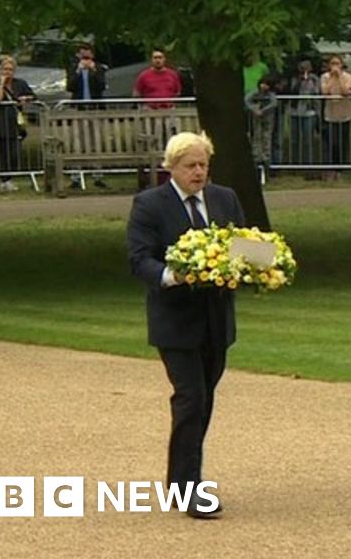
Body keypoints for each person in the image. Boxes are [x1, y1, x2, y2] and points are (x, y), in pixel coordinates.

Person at [126, 132, 245, 519]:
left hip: (216, 319)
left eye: (203, 165)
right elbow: (139, 260)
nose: (199, 172)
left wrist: (267, 262)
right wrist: (172, 275)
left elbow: (244, 246)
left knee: (204, 399)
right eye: (191, 166)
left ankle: (184, 479)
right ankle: (187, 487)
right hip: (175, 320)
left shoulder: (224, 198)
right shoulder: (149, 205)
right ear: (172, 168)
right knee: (191, 396)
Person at [133, 49, 184, 189]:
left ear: (164, 59)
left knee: (170, 141)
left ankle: (170, 172)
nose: (158, 60)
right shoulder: (144, 76)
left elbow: (177, 92)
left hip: (169, 112)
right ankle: (154, 174)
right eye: (155, 57)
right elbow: (137, 93)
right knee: (153, 141)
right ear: (151, 59)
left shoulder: (172, 75)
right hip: (151, 113)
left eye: (160, 57)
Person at [0, 55, 35, 193]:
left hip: (16, 122)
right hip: (0, 122)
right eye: (5, 69)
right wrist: (2, 84)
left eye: (10, 69)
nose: (7, 72)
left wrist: (25, 98)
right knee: (4, 153)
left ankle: (8, 178)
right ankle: (5, 180)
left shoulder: (20, 83)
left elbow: (33, 96)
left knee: (15, 153)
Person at [66, 43, 108, 189]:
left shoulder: (99, 68)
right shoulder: (73, 68)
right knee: (77, 143)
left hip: (95, 109)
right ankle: (76, 176)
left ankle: (97, 176)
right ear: (78, 56)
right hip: (79, 109)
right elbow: (69, 87)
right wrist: (78, 71)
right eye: (83, 56)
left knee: (95, 142)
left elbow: (102, 86)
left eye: (88, 56)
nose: (85, 59)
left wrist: (93, 70)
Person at [320, 54, 351, 181]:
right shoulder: (324, 77)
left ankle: (340, 169)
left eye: (337, 63)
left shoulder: (347, 76)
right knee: (332, 142)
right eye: (332, 63)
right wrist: (332, 78)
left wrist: (339, 77)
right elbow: (324, 92)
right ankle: (331, 168)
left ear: (341, 65)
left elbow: (346, 92)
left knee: (342, 143)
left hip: (345, 114)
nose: (335, 66)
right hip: (330, 114)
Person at [288, 59, 320, 167]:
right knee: (294, 140)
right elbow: (292, 92)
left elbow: (316, 93)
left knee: (308, 140)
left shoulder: (315, 79)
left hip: (309, 112)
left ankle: (308, 164)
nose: (304, 69)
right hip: (295, 112)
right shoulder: (294, 79)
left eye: (306, 67)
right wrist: (299, 82)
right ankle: (294, 163)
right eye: (302, 67)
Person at [245, 75, 277, 171]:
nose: (263, 86)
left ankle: (266, 159)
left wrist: (263, 110)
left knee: (266, 138)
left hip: (268, 119)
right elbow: (247, 100)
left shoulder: (271, 94)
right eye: (262, 83)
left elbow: (274, 103)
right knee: (257, 137)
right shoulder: (254, 93)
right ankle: (256, 158)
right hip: (257, 119)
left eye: (266, 84)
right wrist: (254, 109)